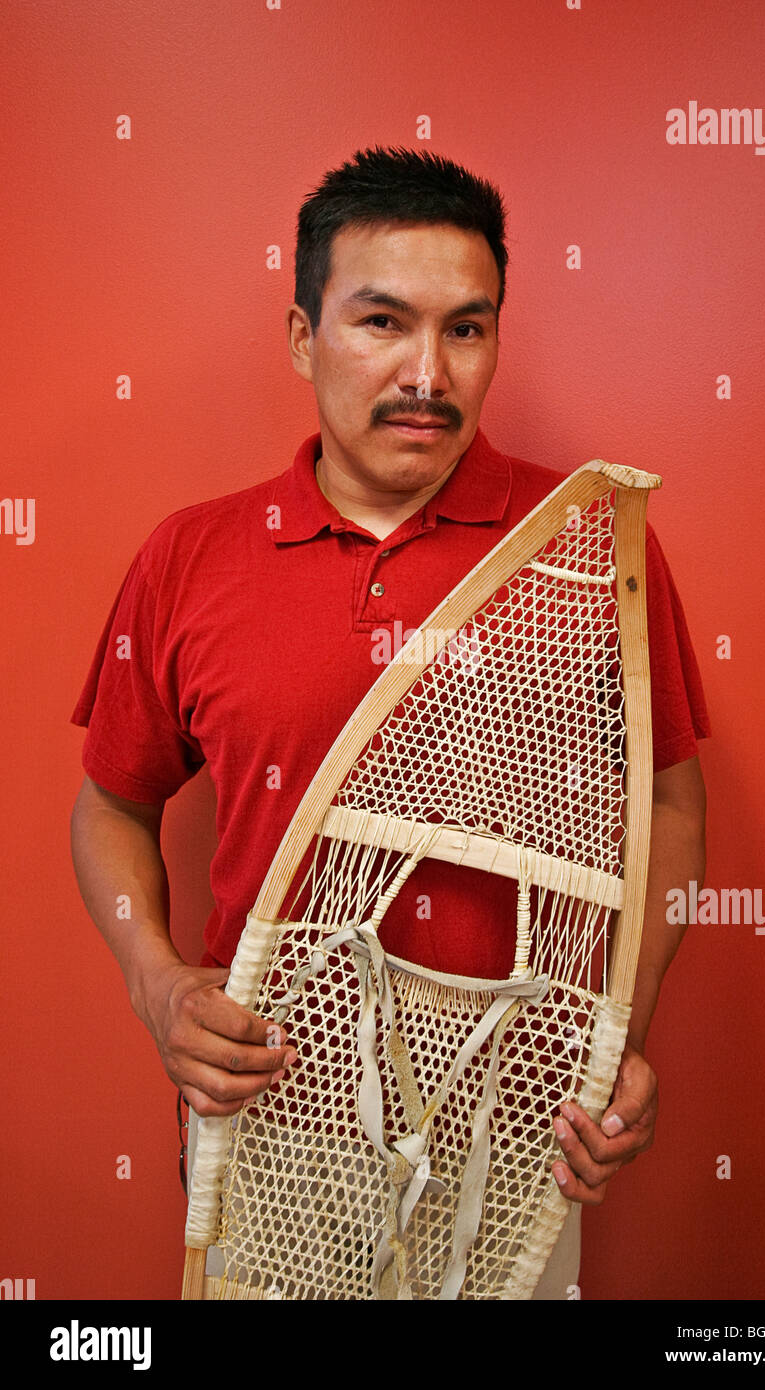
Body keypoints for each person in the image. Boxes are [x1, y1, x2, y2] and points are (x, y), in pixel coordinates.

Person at [70, 146, 708, 1298]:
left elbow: (662, 801)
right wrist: (157, 982)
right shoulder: (189, 555)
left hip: (522, 1142)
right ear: (302, 336)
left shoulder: (586, 550)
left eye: (467, 329)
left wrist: (618, 1031)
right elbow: (111, 803)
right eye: (380, 322)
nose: (428, 371)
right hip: (268, 1132)